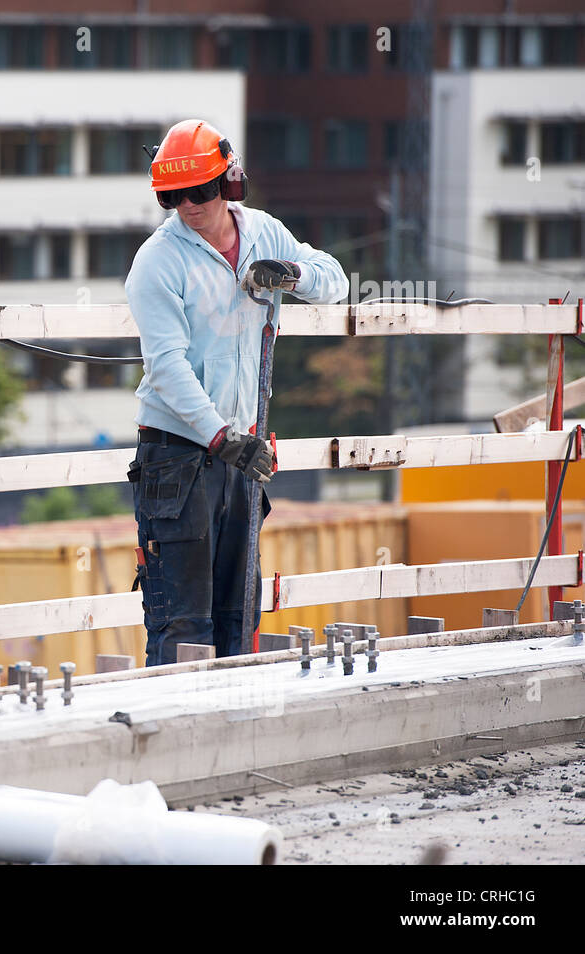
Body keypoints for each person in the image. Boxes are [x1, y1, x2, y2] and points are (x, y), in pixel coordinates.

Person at [124, 119, 349, 666]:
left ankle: (228, 738)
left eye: (199, 191)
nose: (188, 205)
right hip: (179, 457)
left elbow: (335, 282)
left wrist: (290, 274)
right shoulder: (158, 262)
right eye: (172, 196)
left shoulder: (264, 233)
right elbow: (168, 369)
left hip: (240, 455)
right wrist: (221, 436)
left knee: (237, 613)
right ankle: (177, 739)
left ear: (228, 184)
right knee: (183, 622)